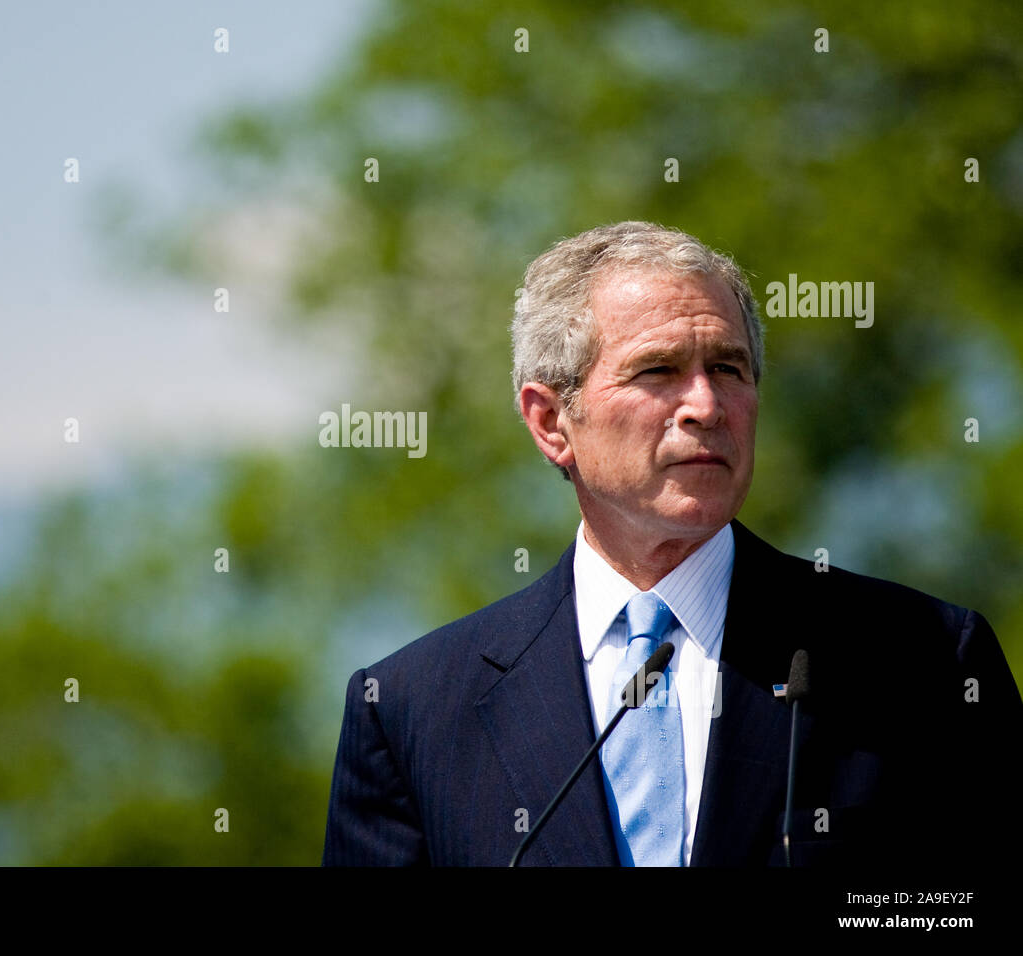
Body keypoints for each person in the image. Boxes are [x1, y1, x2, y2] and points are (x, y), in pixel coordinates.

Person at [321, 221, 1022, 867]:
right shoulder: (413, 713)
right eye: (658, 371)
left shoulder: (921, 658)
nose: (707, 406)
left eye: (728, 368)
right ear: (551, 422)